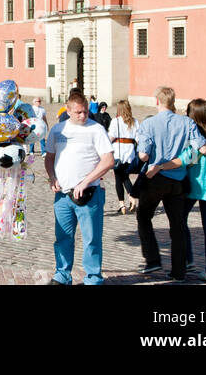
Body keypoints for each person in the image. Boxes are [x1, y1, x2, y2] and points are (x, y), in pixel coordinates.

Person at [135, 86, 206, 280]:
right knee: (178, 225)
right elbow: (198, 149)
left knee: (143, 216)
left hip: (156, 177)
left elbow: (143, 155)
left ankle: (152, 259)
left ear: (157, 101)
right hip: (178, 179)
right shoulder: (187, 122)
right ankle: (179, 272)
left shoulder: (149, 123)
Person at [44, 90, 114, 286]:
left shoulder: (96, 129)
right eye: (78, 113)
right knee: (63, 238)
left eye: (84, 112)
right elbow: (50, 157)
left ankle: (93, 278)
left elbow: (108, 160)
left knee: (91, 239)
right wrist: (52, 177)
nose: (83, 116)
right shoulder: (57, 130)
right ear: (68, 110)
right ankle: (62, 275)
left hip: (89, 194)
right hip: (63, 196)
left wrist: (86, 181)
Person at [181, 99, 206, 282]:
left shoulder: (191, 134)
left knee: (180, 220)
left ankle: (189, 259)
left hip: (193, 182)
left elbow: (191, 157)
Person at [108, 99, 140, 214]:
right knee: (125, 177)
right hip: (129, 153)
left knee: (118, 178)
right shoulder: (134, 122)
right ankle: (133, 199)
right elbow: (138, 139)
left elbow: (111, 137)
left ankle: (122, 205)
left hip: (118, 153)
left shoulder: (115, 121)